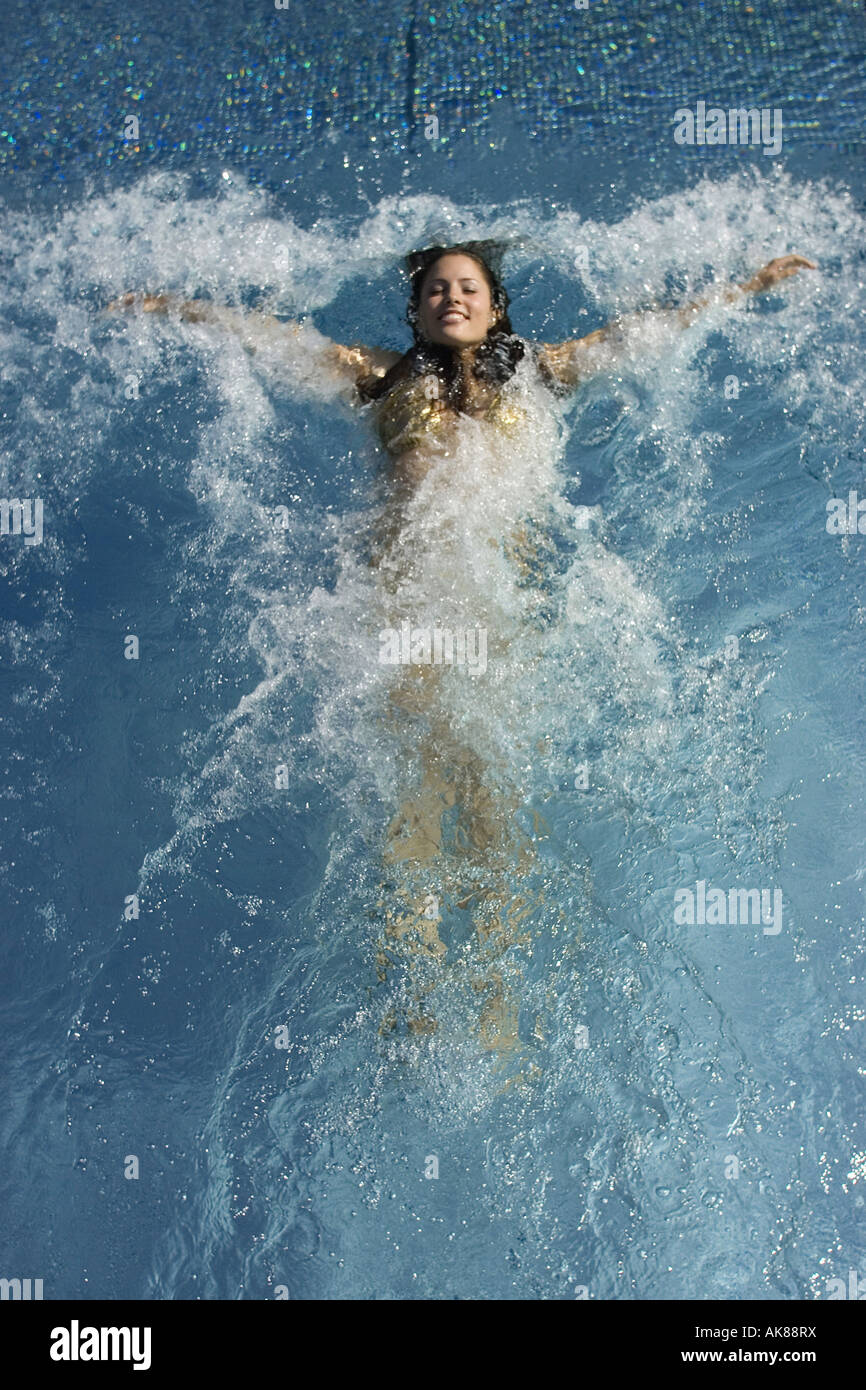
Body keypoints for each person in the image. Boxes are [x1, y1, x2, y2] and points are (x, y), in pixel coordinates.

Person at [108, 241, 816, 1058]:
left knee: (490, 808)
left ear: (496, 305)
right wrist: (178, 310)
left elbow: (640, 336)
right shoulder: (379, 375)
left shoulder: (539, 372)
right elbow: (276, 342)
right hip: (405, 611)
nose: (451, 297)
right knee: (412, 800)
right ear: (413, 312)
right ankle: (410, 1001)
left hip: (494, 615)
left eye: (468, 287)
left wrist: (746, 287)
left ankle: (495, 1011)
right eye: (435, 289)